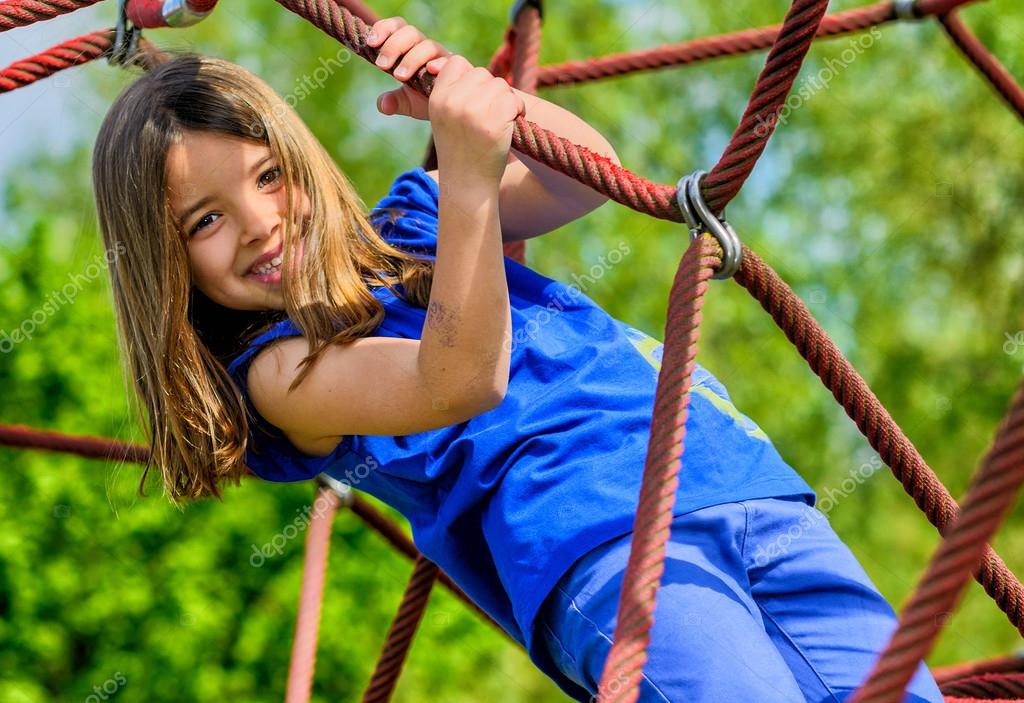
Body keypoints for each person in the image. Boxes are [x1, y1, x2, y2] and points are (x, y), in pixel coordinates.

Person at [90, 15, 946, 703]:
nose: (258, 224)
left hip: (745, 485)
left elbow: (584, 172)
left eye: (268, 176)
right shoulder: (281, 374)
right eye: (204, 221)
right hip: (603, 550)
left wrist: (478, 102)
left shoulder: (413, 227)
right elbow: (459, 377)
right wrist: (468, 181)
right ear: (167, 267)